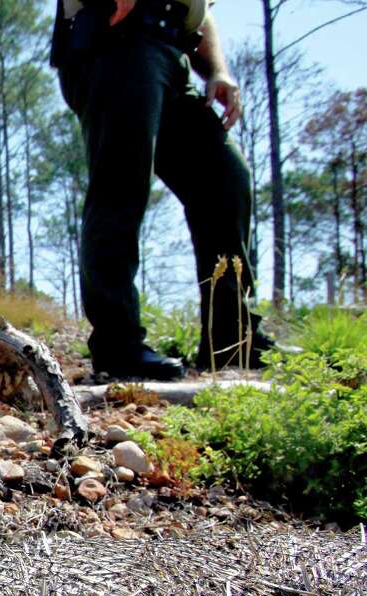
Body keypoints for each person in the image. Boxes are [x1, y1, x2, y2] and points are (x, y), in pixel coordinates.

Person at [52, 0, 279, 381]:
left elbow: (202, 11)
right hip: (117, 41)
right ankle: (117, 345)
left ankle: (229, 341)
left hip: (175, 53)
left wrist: (219, 70)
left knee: (226, 181)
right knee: (121, 188)